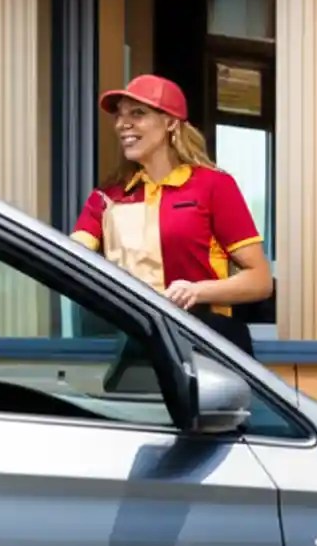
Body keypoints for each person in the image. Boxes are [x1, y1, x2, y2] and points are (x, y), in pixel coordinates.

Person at [71, 74, 272, 356]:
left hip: (204, 342)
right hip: (132, 345)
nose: (122, 124)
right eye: (119, 115)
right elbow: (72, 258)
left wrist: (197, 291)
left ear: (170, 122)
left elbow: (259, 281)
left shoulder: (213, 186)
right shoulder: (105, 198)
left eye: (138, 114)